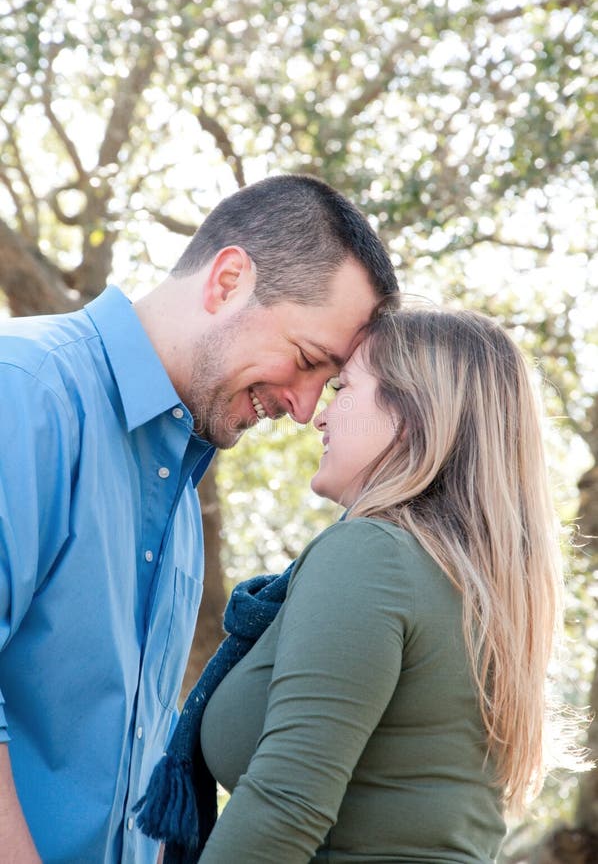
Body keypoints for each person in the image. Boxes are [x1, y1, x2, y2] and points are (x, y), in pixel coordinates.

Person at [0, 174, 397, 864]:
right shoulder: (25, 392)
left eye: (328, 384)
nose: (305, 410)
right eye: (307, 362)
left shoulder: (181, 489)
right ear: (228, 280)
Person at [139, 307, 570, 864]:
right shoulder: (472, 583)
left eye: (344, 388)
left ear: (413, 416)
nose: (318, 417)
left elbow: (284, 806)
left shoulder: (371, 555)